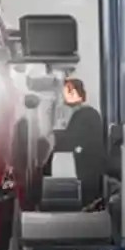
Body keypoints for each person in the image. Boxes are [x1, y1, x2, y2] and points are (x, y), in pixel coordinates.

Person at [51, 77, 106, 209]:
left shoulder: (84, 115)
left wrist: (52, 141)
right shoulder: (87, 114)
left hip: (89, 167)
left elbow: (72, 139)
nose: (63, 96)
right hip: (89, 165)